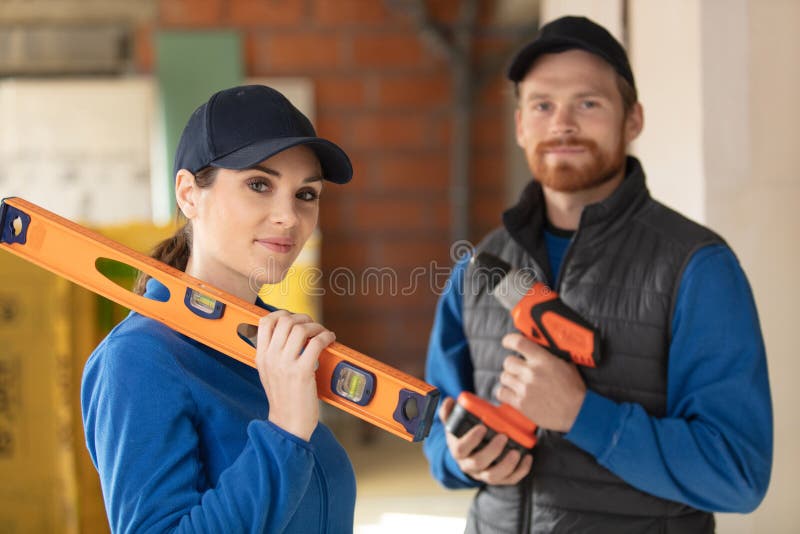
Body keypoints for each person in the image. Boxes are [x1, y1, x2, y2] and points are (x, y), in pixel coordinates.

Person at [423, 16, 772, 533]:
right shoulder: (477, 271)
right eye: (542, 105)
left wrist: (583, 415)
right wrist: (459, 458)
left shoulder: (698, 268)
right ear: (520, 124)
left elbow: (737, 473)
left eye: (588, 103)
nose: (562, 123)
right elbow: (436, 423)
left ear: (633, 120)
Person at [81, 85, 356, 533]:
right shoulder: (138, 360)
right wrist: (285, 429)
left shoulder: (269, 349)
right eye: (259, 184)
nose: (289, 216)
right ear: (189, 194)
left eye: (306, 194)